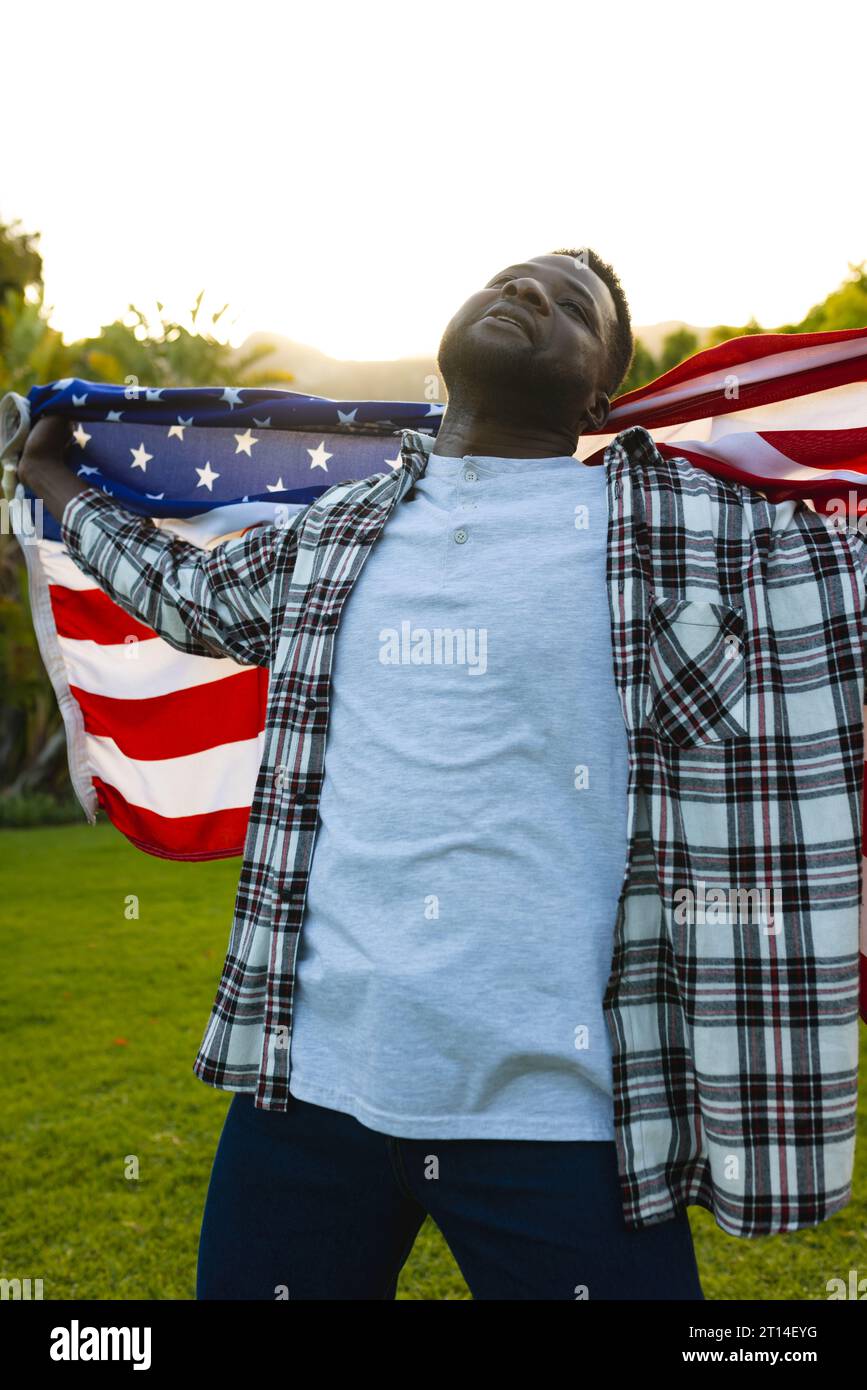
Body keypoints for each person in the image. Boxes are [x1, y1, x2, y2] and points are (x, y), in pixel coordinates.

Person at [19, 249, 864, 1301]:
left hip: (559, 1116)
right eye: (514, 280)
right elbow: (186, 593)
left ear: (600, 389)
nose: (529, 296)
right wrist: (53, 479)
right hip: (311, 1093)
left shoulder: (689, 532)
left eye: (570, 306)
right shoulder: (338, 532)